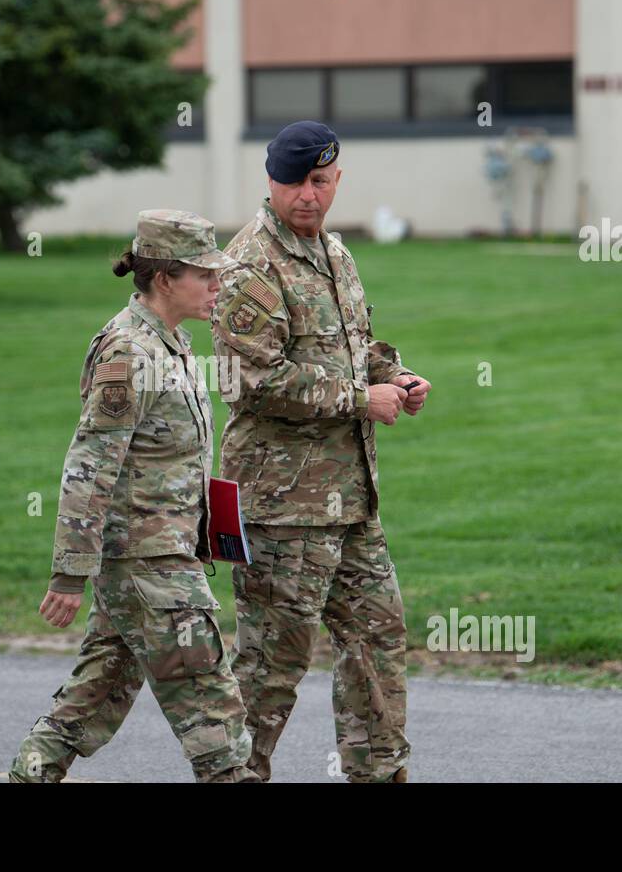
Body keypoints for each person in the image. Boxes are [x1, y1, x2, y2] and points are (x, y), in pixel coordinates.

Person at [210, 121, 431, 782]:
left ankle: (378, 772)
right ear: (271, 182)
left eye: (320, 181)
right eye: (294, 182)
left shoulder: (333, 252)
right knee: (271, 672)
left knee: (378, 642)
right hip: (282, 507)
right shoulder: (250, 263)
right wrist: (362, 400)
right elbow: (253, 382)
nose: (308, 195)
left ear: (336, 181)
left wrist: (391, 375)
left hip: (351, 501)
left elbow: (350, 347)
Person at [9, 210, 260, 783]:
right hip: (150, 567)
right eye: (206, 275)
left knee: (96, 693)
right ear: (166, 279)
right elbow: (90, 465)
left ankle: (31, 774)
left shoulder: (170, 342)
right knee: (212, 711)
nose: (218, 285)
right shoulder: (129, 353)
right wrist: (70, 573)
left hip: (158, 557)